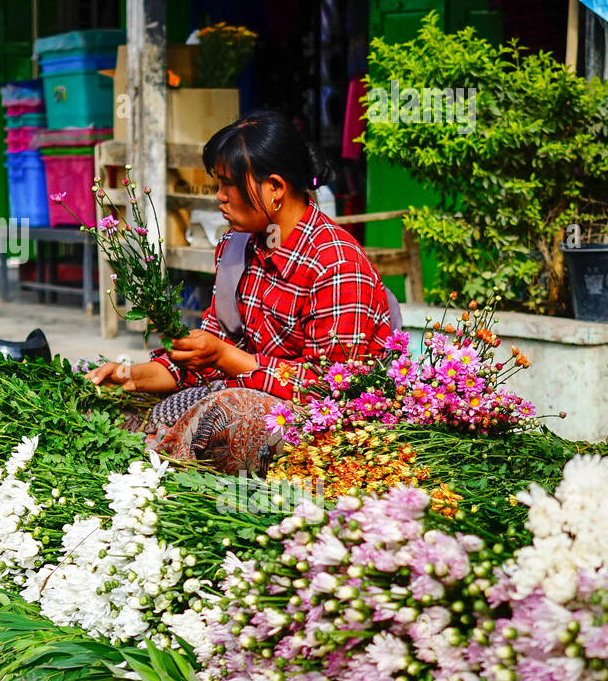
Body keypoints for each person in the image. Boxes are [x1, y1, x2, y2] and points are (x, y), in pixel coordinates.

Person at [88, 109, 394, 474]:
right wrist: (131, 375)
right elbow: (207, 351)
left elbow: (330, 391)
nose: (219, 197)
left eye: (228, 184)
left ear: (275, 188)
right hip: (250, 391)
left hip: (322, 424)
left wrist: (226, 357)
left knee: (224, 416)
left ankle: (147, 480)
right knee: (109, 405)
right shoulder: (237, 247)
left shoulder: (336, 264)